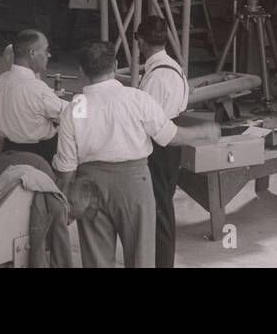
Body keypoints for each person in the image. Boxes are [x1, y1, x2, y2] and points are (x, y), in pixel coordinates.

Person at [53, 40, 215, 268]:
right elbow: (169, 136)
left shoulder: (76, 107)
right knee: (141, 255)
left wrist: (68, 198)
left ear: (81, 72)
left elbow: (67, 167)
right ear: (116, 65)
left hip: (89, 183)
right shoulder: (136, 98)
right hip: (134, 182)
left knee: (96, 257)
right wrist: (201, 133)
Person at [136, 15, 190, 269]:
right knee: (162, 205)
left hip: (159, 146)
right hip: (171, 141)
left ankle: (161, 264)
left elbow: (146, 118)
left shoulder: (156, 76)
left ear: (141, 41)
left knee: (160, 210)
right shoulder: (174, 66)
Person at [0, 29, 67, 164]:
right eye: (45, 51)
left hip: (7, 150)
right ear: (32, 53)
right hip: (39, 155)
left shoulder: (0, 81)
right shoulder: (36, 89)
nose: (48, 55)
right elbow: (68, 115)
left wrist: (50, 96)